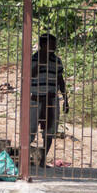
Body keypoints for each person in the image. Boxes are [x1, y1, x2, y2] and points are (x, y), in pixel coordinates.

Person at [29, 32, 67, 168]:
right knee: (30, 130)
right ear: (43, 45)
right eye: (52, 44)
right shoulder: (34, 58)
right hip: (35, 99)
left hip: (51, 99)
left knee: (50, 131)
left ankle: (42, 160)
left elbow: (60, 80)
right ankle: (26, 160)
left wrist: (65, 98)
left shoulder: (56, 61)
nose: (55, 47)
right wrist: (41, 63)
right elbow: (30, 74)